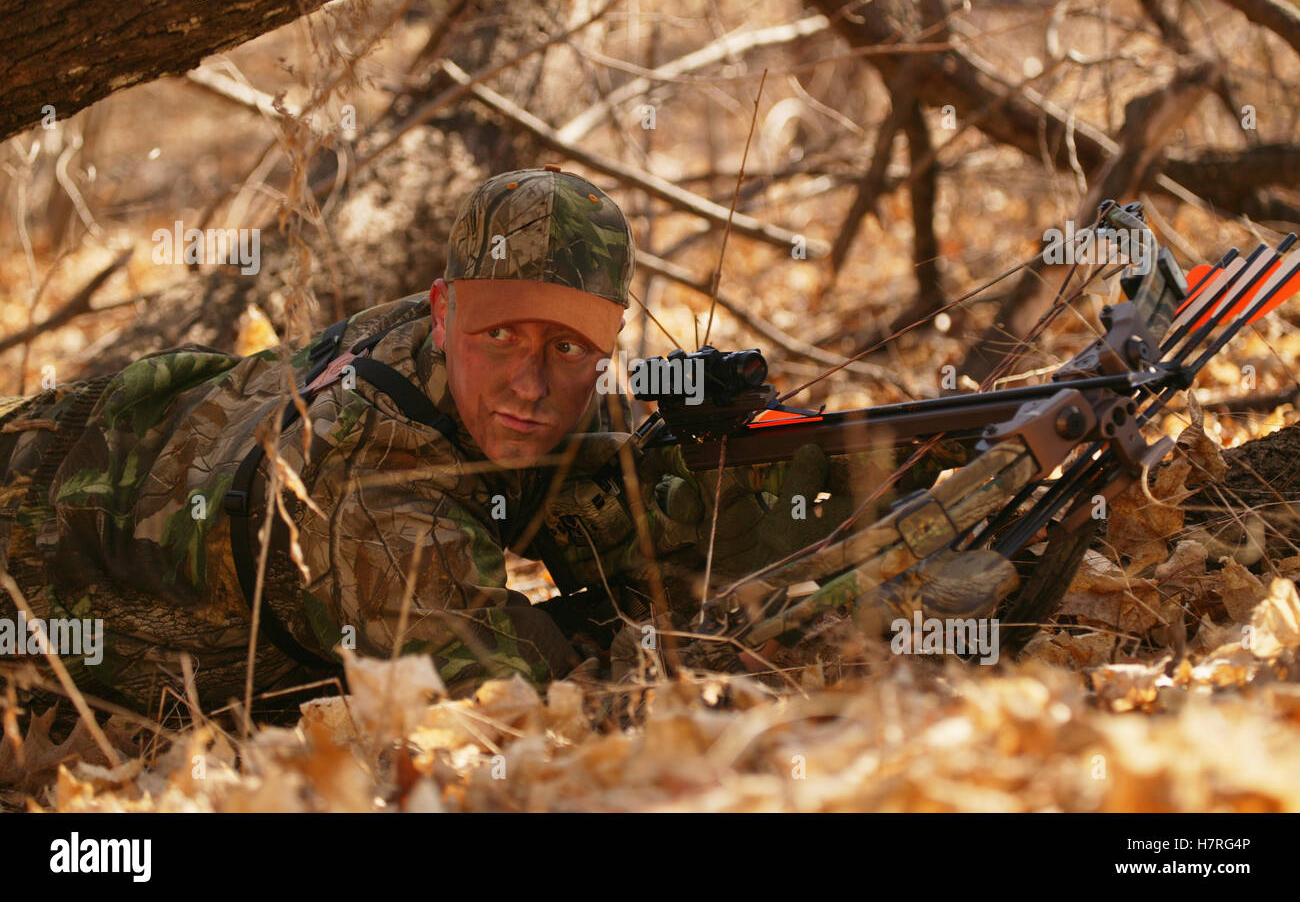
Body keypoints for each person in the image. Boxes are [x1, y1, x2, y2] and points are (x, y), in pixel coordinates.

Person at [0, 166, 858, 716]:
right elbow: (522, 691)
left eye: (567, 346)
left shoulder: (548, 384)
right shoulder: (368, 478)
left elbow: (626, 552)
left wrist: (750, 513)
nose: (531, 385)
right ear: (445, 313)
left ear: (608, 341)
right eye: (501, 339)